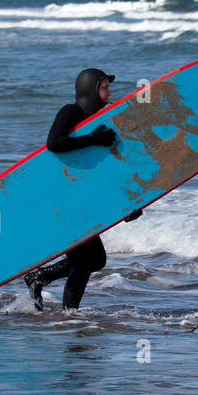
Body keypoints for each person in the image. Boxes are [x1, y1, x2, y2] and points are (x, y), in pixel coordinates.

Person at [22, 67, 141, 311]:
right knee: (86, 260)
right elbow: (54, 144)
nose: (109, 92)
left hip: (81, 198)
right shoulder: (71, 112)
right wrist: (92, 139)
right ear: (91, 89)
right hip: (61, 198)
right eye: (104, 87)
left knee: (95, 259)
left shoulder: (104, 121)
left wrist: (126, 206)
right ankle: (69, 314)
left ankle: (40, 279)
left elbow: (102, 171)